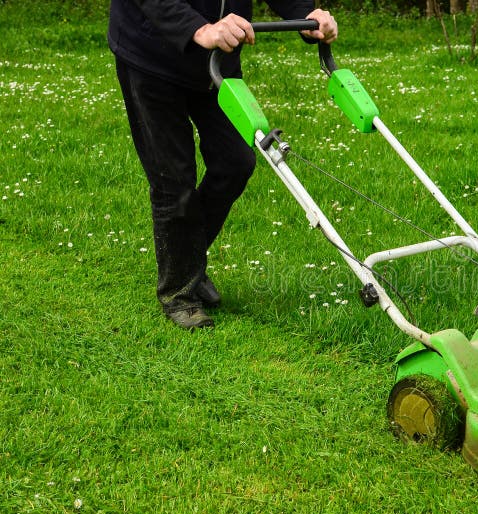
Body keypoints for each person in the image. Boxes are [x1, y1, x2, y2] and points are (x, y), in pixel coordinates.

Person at [108, 1, 337, 329]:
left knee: (235, 162)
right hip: (152, 57)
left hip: (218, 62)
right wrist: (197, 28)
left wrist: (306, 13)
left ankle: (188, 264)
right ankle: (180, 293)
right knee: (174, 180)